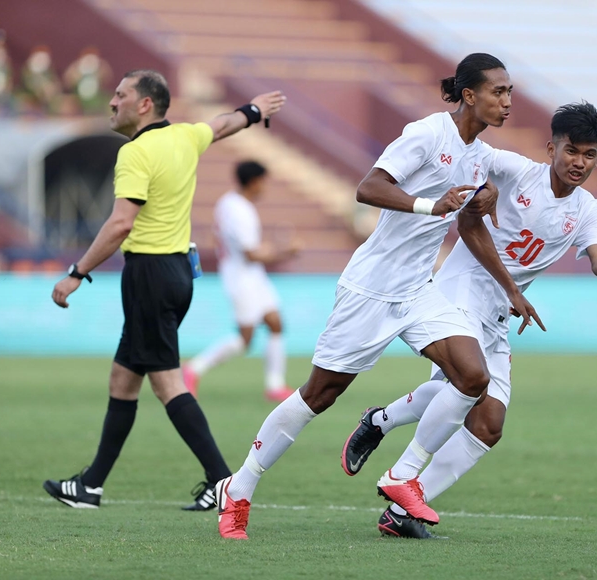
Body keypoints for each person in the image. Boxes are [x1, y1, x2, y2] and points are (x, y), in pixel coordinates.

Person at [215, 53, 542, 540]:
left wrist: (508, 284)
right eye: (499, 91)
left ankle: (402, 476)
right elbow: (368, 188)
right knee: (319, 396)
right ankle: (238, 488)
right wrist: (434, 205)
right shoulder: (427, 134)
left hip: (418, 289)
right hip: (370, 288)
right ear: (470, 95)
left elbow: (469, 223)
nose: (508, 101)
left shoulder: (479, 154)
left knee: (474, 375)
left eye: (511, 92)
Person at [342, 102, 597, 538]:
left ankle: (395, 480)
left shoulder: (588, 210)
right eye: (571, 150)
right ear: (551, 146)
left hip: (499, 312)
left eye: (589, 155)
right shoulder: (514, 170)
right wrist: (476, 187)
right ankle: (400, 473)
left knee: (488, 425)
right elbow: (469, 162)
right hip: (459, 292)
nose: (578, 163)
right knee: (466, 381)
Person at [44, 69, 287, 511]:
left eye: (120, 95)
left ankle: (222, 483)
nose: (112, 102)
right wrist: (254, 110)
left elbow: (121, 222)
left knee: (168, 384)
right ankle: (91, 486)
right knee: (124, 378)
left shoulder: (135, 153)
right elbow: (225, 123)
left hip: (150, 276)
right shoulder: (185, 136)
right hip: (175, 273)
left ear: (144, 104)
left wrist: (76, 272)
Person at [182, 160, 301, 402]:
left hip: (251, 274)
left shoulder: (231, 203)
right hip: (241, 276)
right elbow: (250, 253)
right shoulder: (238, 210)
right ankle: (193, 369)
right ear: (255, 181)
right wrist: (284, 251)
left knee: (275, 322)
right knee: (245, 339)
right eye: (263, 182)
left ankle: (275, 385)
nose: (265, 187)